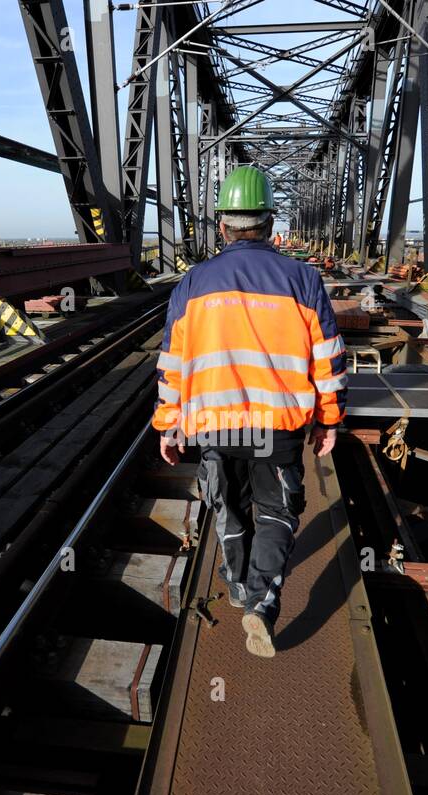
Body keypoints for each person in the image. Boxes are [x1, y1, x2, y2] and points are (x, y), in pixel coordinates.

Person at [151, 165, 347, 658]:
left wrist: (168, 427)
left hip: (215, 427)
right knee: (278, 510)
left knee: (228, 506)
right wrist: (329, 419)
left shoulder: (193, 283)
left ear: (223, 226)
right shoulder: (302, 278)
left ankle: (238, 586)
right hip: (276, 427)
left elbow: (171, 364)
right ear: (270, 223)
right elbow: (329, 359)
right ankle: (263, 601)